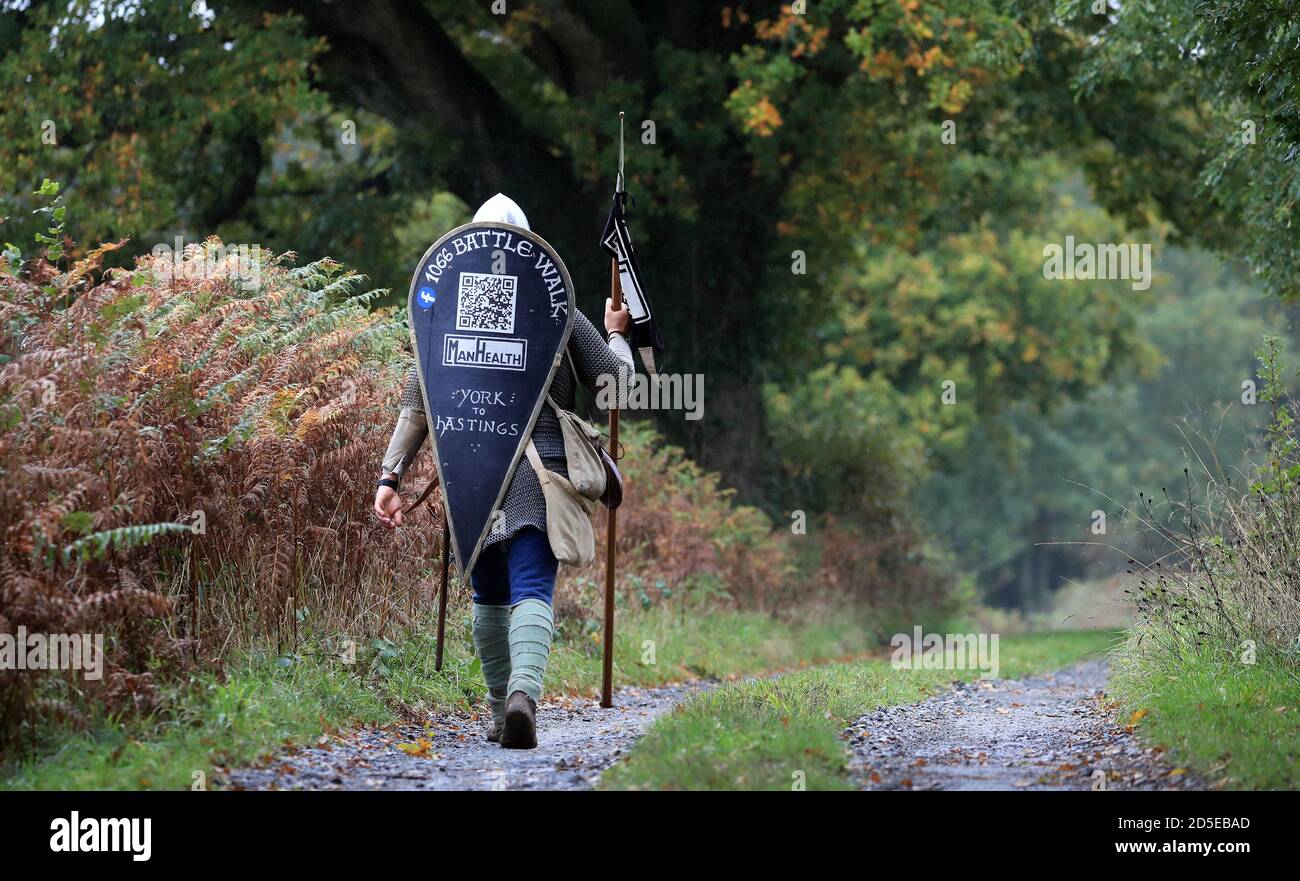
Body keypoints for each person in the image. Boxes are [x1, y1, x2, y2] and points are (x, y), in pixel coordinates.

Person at [373, 194, 634, 749]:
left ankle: (499, 714)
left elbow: (417, 406)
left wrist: (389, 479)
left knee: (488, 597)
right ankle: (522, 697)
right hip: (542, 480)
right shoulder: (557, 310)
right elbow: (616, 379)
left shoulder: (443, 308)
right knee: (533, 588)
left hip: (472, 479)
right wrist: (618, 334)